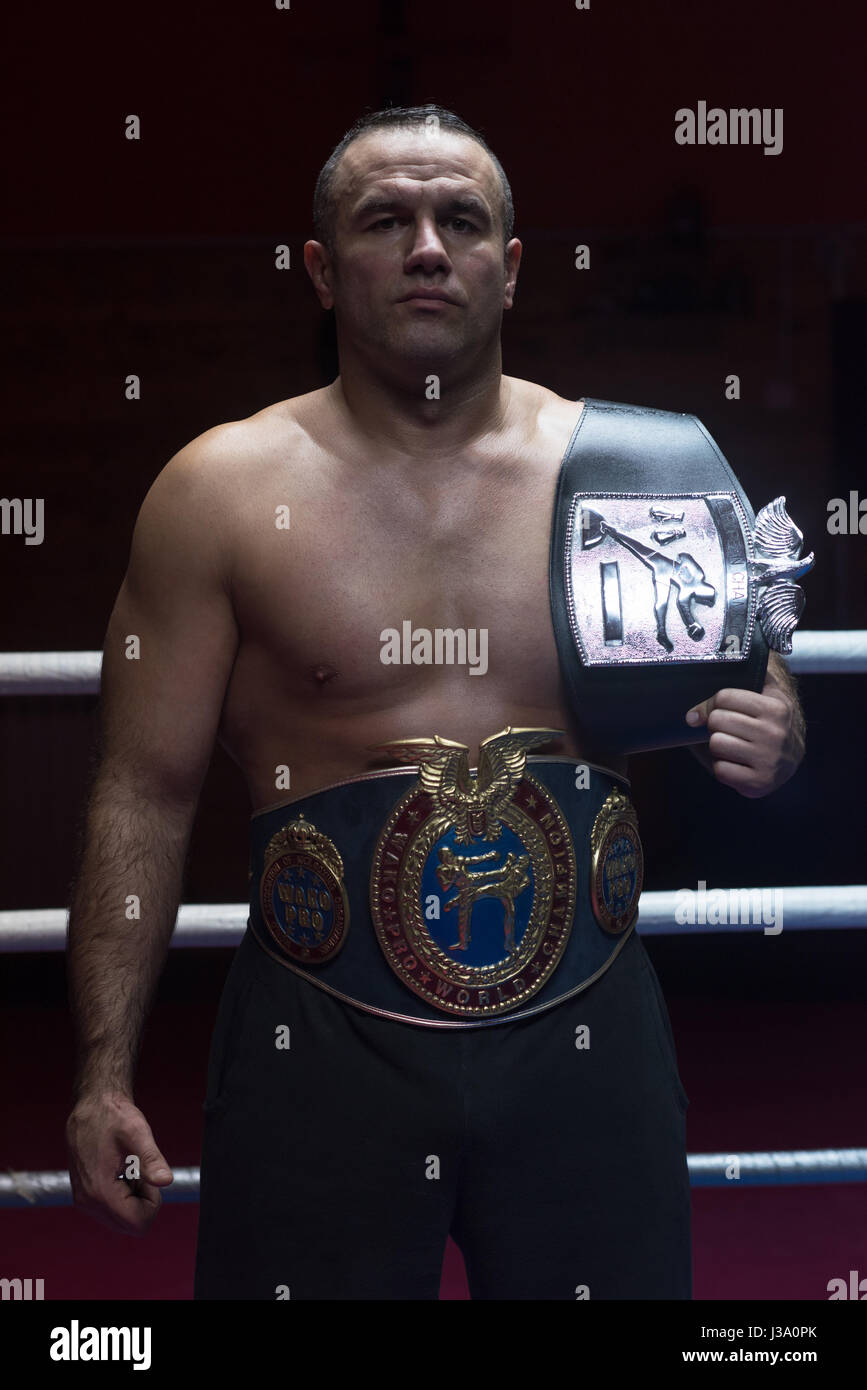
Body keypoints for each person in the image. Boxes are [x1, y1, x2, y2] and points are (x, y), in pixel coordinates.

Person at [65, 104, 806, 1300]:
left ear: (508, 270)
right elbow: (143, 789)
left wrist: (778, 733)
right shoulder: (220, 493)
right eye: (385, 220)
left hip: (585, 1037)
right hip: (321, 1045)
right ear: (319, 267)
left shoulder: (632, 475)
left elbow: (744, 688)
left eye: (461, 220)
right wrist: (103, 1073)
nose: (426, 247)